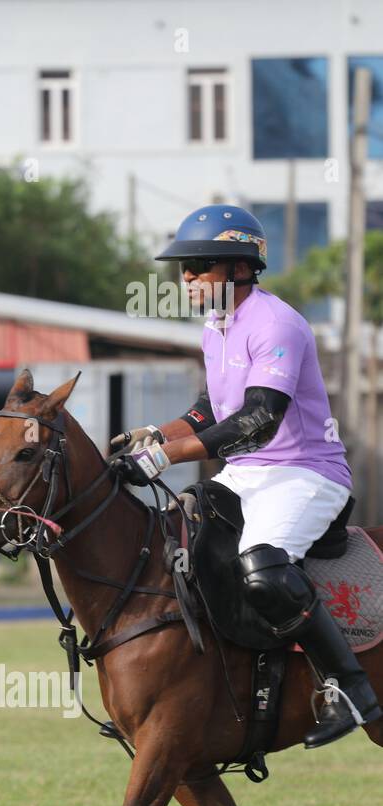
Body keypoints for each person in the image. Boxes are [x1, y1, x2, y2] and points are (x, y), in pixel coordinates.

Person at [113, 203, 380, 748]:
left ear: (238, 268)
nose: (185, 278)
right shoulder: (217, 327)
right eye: (182, 270)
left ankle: (351, 691)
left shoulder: (277, 322)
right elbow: (209, 412)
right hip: (247, 474)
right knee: (176, 533)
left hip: (305, 473)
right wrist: (150, 435)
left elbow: (257, 420)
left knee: (262, 567)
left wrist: (167, 457)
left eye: (198, 267)